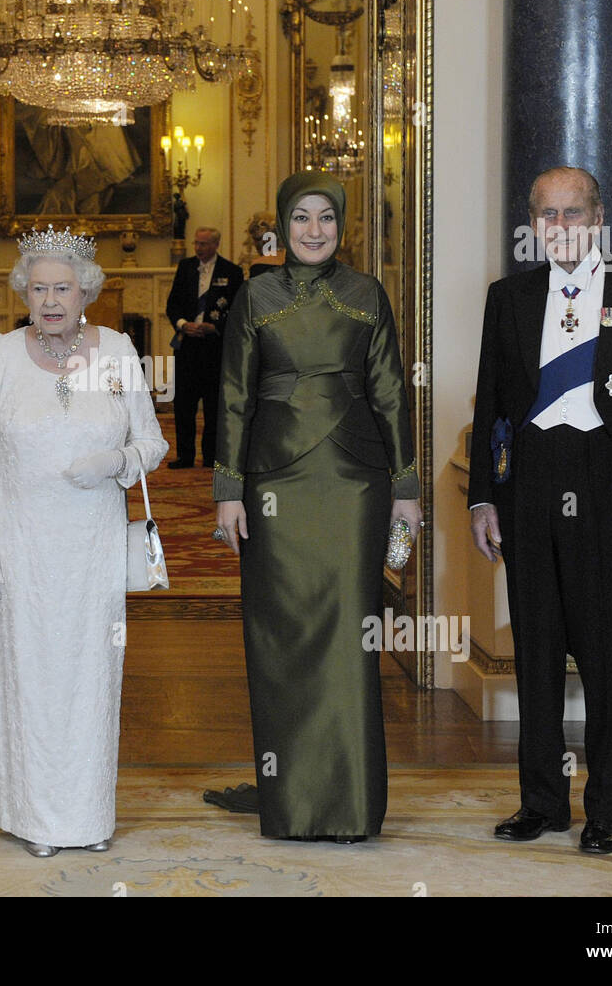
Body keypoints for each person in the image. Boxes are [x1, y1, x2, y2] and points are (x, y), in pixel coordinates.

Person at [468, 166, 612, 855]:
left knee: (604, 660)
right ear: (533, 224)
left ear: (599, 219)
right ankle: (541, 801)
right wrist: (483, 493)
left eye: (574, 214)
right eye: (547, 215)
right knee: (535, 654)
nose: (561, 228)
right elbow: (494, 408)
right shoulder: (507, 299)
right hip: (532, 488)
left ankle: (605, 810)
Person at [214, 170, 422, 842]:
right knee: (279, 639)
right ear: (283, 223)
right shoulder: (253, 295)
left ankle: (351, 803)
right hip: (272, 484)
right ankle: (291, 797)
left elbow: (391, 393)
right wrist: (226, 490)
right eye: (301, 217)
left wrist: (408, 488)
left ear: (340, 225)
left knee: (347, 641)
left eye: (325, 218)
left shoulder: (367, 293)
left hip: (354, 485)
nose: (313, 230)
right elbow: (234, 396)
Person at [0, 226, 167, 856]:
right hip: (22, 546)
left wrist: (115, 461)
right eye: (40, 287)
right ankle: (36, 820)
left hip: (93, 548)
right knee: (31, 679)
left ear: (86, 292)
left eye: (64, 287)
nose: (51, 299)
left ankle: (86, 820)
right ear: (24, 290)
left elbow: (154, 444)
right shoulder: (0, 354)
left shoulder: (117, 351)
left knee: (90, 680)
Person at [165, 227, 245, 468]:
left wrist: (215, 326)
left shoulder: (232, 272)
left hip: (214, 348)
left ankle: (211, 456)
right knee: (184, 404)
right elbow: (173, 305)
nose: (199, 248)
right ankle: (185, 455)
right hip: (187, 346)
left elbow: (237, 310)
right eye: (196, 243)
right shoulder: (186, 267)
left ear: (216, 244)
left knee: (213, 405)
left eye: (204, 244)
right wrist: (182, 324)